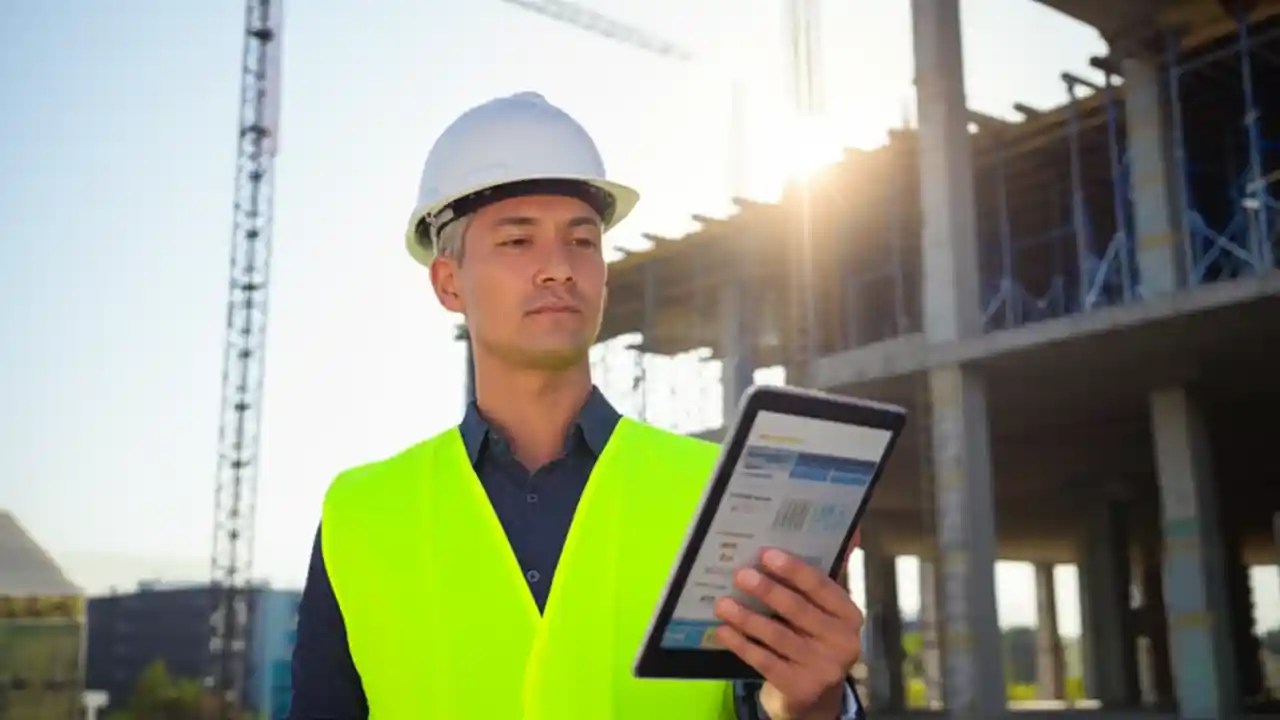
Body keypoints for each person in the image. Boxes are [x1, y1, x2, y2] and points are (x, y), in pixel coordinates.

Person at [288, 91, 866, 720]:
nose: (559, 268)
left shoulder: (719, 493)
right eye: (518, 241)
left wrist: (817, 705)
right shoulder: (359, 515)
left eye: (582, 241)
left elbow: (779, 704)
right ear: (449, 282)